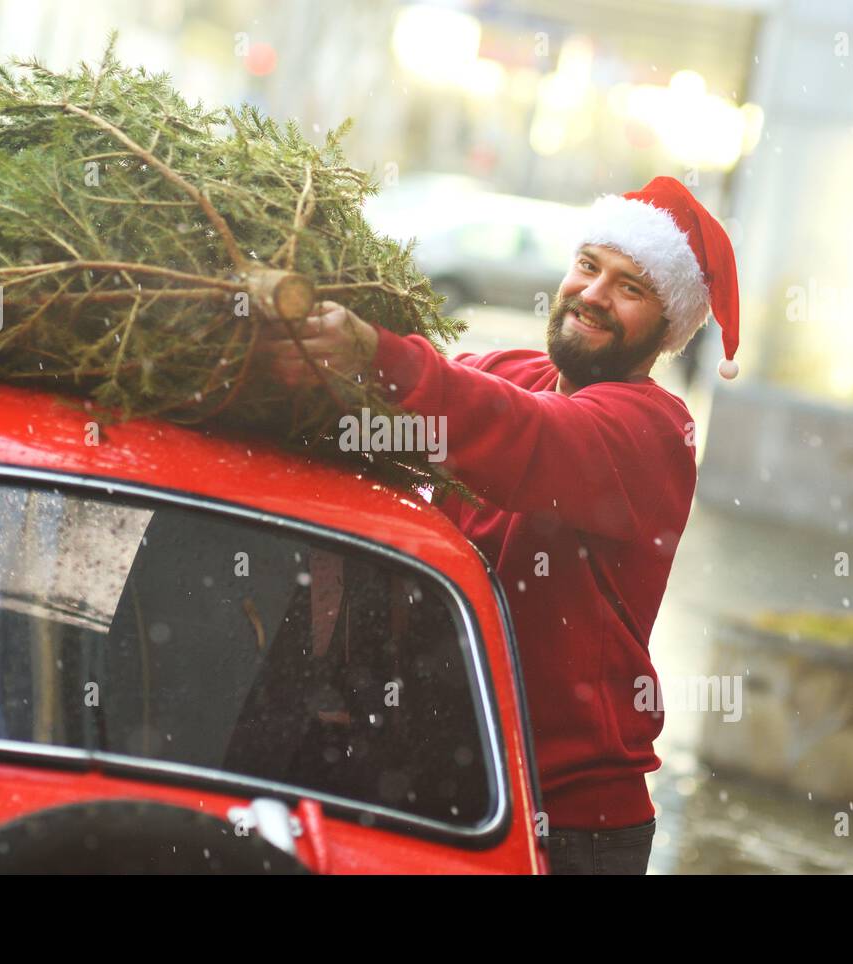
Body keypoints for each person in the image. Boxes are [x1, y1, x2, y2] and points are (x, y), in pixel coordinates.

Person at [257, 176, 740, 874]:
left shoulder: (654, 431)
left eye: (631, 288)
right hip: (452, 783)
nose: (594, 294)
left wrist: (377, 354)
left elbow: (519, 436)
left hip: (570, 822)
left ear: (669, 331)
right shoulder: (508, 371)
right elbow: (423, 417)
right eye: (589, 266)